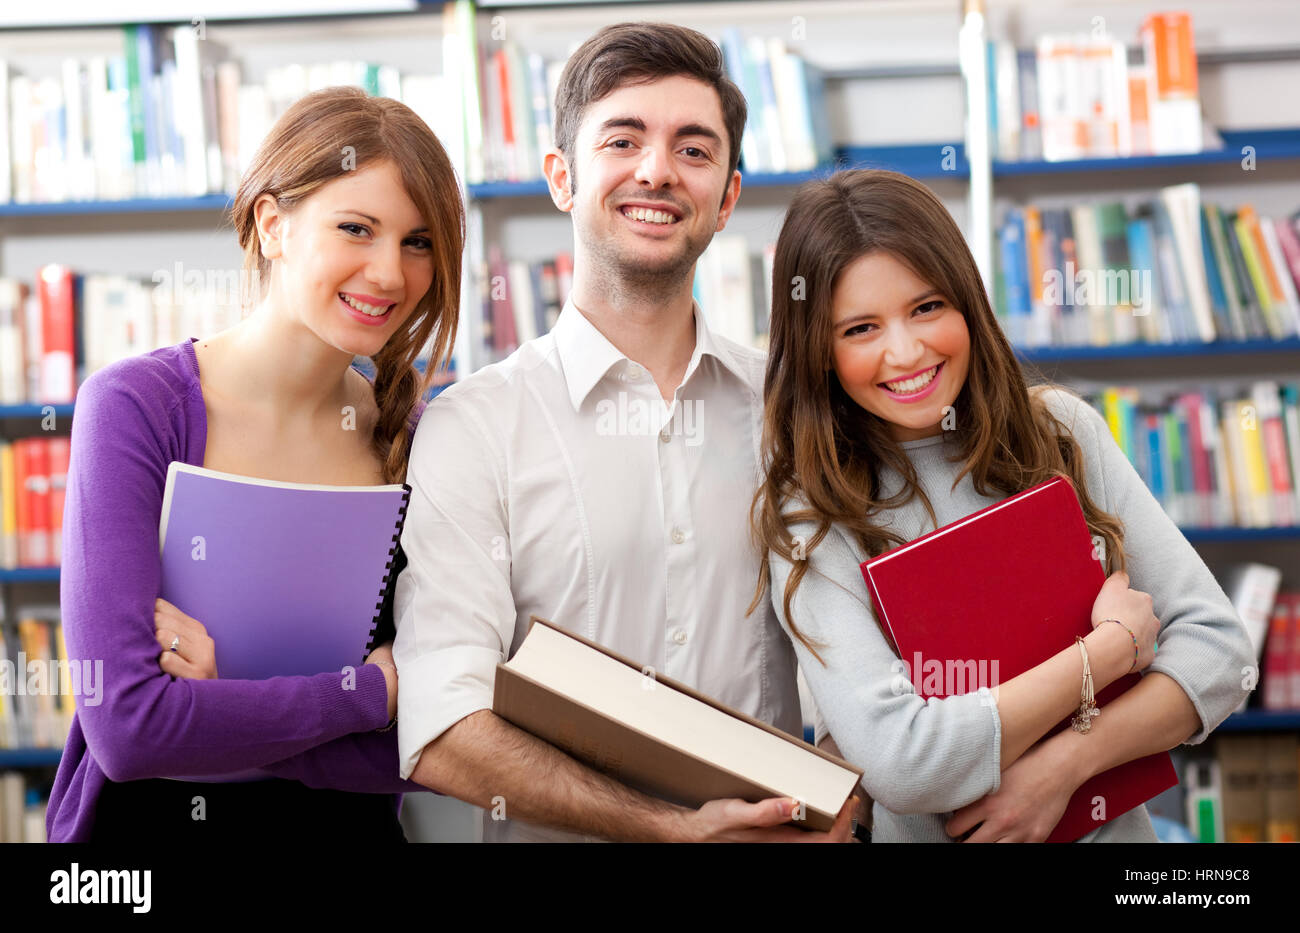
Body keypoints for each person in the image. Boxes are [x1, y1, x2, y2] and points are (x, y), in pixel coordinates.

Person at [393, 22, 854, 842]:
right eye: (623, 138)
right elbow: (439, 727)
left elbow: (860, 663)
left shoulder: (797, 410)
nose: (656, 171)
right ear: (563, 177)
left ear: (728, 198)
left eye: (694, 148)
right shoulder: (474, 429)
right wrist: (665, 827)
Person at [752, 168, 1254, 842]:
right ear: (818, 349)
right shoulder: (811, 512)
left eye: (927, 307)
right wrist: (1108, 652)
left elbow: (1222, 656)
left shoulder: (1060, 431)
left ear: (968, 301)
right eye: (861, 328)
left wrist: (1063, 765)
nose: (906, 351)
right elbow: (904, 762)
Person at [47, 86, 463, 842]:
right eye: (356, 228)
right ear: (273, 225)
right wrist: (370, 692)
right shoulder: (134, 408)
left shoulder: (419, 439)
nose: (390, 274)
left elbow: (430, 743)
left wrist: (225, 706)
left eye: (419, 241)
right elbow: (132, 730)